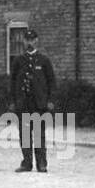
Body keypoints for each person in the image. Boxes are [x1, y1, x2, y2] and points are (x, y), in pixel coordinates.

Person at [9, 29, 56, 173]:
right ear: (24, 42)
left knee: (39, 134)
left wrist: (50, 100)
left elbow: (51, 82)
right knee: (24, 134)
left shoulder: (44, 60)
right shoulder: (18, 60)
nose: (29, 43)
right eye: (27, 40)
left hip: (39, 104)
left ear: (37, 41)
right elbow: (12, 82)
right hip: (23, 103)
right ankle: (26, 163)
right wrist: (12, 101)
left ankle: (42, 163)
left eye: (32, 40)